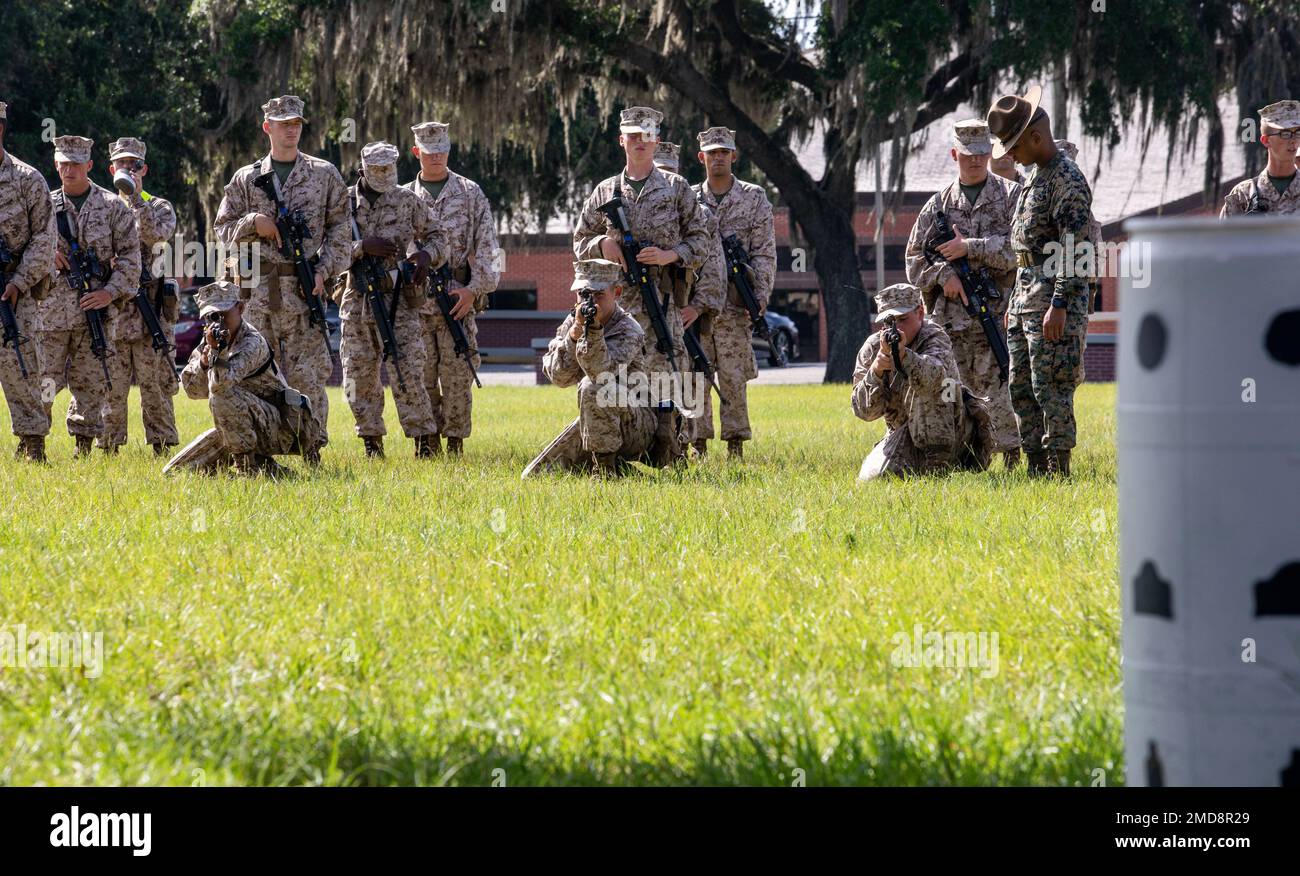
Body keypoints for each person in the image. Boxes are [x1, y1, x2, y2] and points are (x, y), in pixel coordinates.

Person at [213, 95, 350, 463]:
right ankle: (258, 452)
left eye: (296, 124)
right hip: (257, 295)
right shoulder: (246, 178)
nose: (291, 130)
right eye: (283, 123)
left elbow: (340, 232)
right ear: (267, 127)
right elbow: (222, 229)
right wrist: (252, 223)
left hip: (306, 292)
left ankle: (311, 450)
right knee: (256, 374)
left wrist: (324, 271)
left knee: (309, 378)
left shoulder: (324, 175)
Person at [572, 106, 712, 464]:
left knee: (666, 373)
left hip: (661, 303)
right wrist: (603, 245)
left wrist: (670, 255)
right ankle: (608, 453)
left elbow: (702, 239)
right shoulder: (605, 191)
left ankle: (666, 451)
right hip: (615, 309)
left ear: (656, 141)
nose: (639, 141)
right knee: (612, 376)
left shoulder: (676, 188)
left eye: (646, 135)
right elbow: (579, 240)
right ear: (622, 141)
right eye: (633, 135)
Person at [987, 85, 1093, 477]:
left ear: (1036, 136)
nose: (1010, 155)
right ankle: (1035, 469)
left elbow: (1075, 251)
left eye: (1013, 146)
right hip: (1025, 298)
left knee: (1051, 386)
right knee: (1021, 385)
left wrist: (1060, 305)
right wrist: (1014, 305)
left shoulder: (1066, 180)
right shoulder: (1034, 176)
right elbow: (1025, 250)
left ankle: (1057, 469)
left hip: (1054, 302)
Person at [905, 119, 1021, 468]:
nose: (976, 160)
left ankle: (1012, 456)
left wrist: (969, 248)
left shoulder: (1011, 196)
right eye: (968, 154)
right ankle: (960, 457)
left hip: (995, 314)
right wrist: (943, 275)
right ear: (955, 153)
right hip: (950, 322)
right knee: (951, 390)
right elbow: (913, 261)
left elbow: (1021, 251)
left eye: (983, 153)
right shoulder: (937, 205)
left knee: (1000, 384)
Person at [341, 141, 445, 458]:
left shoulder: (407, 200)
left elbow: (439, 236)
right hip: (357, 299)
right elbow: (321, 250)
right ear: (363, 171)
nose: (385, 175)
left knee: (409, 370)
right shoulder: (341, 203)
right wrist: (360, 248)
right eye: (377, 170)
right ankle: (372, 443)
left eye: (390, 169)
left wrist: (427, 255)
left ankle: (424, 442)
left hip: (398, 297)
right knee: (359, 375)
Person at [403, 121, 499, 456]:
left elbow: (489, 248)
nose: (436, 157)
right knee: (420, 373)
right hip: (415, 301)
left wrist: (475, 289)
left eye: (442, 151)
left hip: (457, 297)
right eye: (429, 152)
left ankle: (455, 442)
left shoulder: (470, 193)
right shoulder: (403, 197)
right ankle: (426, 441)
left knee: (458, 373)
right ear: (417, 152)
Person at [43, 135, 140, 457]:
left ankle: (83, 449)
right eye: (62, 164)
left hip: (96, 312)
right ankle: (33, 443)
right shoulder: (44, 206)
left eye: (74, 164)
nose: (68, 171)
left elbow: (130, 258)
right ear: (56, 165)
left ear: (89, 165)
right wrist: (45, 255)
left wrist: (110, 292)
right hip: (51, 311)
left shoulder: (113, 207)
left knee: (91, 380)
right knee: (42, 380)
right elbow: (19, 246)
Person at [170, 280, 320, 476]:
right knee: (177, 473)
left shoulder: (252, 342)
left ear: (240, 308)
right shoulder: (209, 341)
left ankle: (246, 469)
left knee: (222, 396)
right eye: (212, 316)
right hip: (239, 427)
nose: (218, 322)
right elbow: (192, 391)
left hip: (279, 428)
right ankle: (270, 471)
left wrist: (218, 353)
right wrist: (205, 363)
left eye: (224, 314)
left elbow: (221, 387)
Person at [689, 125, 776, 460]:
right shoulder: (690, 198)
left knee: (734, 375)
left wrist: (760, 295)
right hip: (698, 304)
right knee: (697, 372)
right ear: (702, 158)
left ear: (733, 156)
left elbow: (765, 251)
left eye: (723, 152)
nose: (718, 159)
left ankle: (736, 445)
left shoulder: (753, 198)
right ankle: (697, 443)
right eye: (712, 153)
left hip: (736, 304)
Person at [525, 259, 655, 477]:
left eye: (599, 295)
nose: (590, 302)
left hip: (637, 425)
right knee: (537, 475)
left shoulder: (629, 330)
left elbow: (600, 374)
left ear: (617, 292)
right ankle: (621, 470)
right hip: (598, 421)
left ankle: (604, 473)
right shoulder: (574, 321)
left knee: (592, 387)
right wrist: (573, 337)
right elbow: (560, 378)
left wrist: (593, 331)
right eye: (584, 294)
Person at [851, 283, 992, 480]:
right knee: (873, 480)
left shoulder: (934, 337)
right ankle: (917, 467)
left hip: (954, 432)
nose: (896, 328)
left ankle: (937, 471)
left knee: (922, 386)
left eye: (903, 319)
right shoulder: (874, 347)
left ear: (920, 312)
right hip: (904, 432)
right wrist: (876, 371)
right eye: (889, 322)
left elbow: (934, 380)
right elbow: (863, 412)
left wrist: (904, 356)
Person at [99, 136, 179, 456]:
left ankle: (161, 446)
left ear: (143, 169)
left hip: (151, 312)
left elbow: (156, 235)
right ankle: (108, 446)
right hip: (116, 309)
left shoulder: (158, 206)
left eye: (134, 165)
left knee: (155, 385)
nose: (128, 170)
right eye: (122, 164)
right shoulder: (101, 207)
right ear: (110, 169)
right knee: (111, 385)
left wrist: (138, 199)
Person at [0, 99, 56, 462]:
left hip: (14, 292)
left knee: (21, 365)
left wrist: (19, 282)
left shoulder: (26, 179)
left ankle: (32, 443)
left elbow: (44, 239)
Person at [1220, 100, 1300, 216]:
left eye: (1298, 133)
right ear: (1266, 141)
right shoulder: (1243, 195)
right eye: (1285, 134)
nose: (1293, 140)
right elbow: (1225, 234)